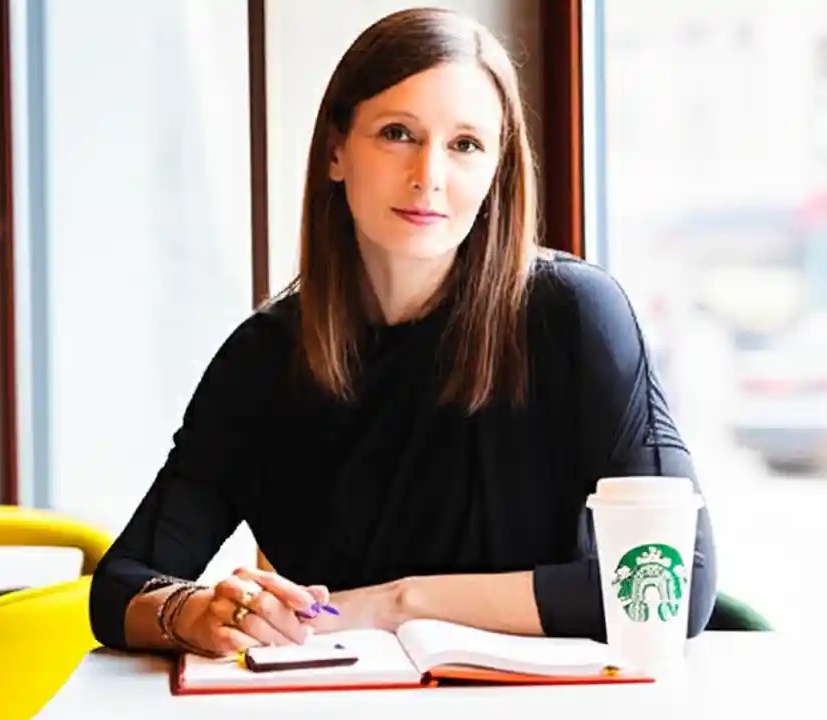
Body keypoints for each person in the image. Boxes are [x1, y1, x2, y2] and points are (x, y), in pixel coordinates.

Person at [89, 7, 716, 657]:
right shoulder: (264, 360)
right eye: (397, 133)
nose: (430, 176)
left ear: (497, 169)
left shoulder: (574, 317)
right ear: (336, 151)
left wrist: (394, 603)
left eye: (465, 145)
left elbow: (677, 581)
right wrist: (195, 612)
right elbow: (120, 589)